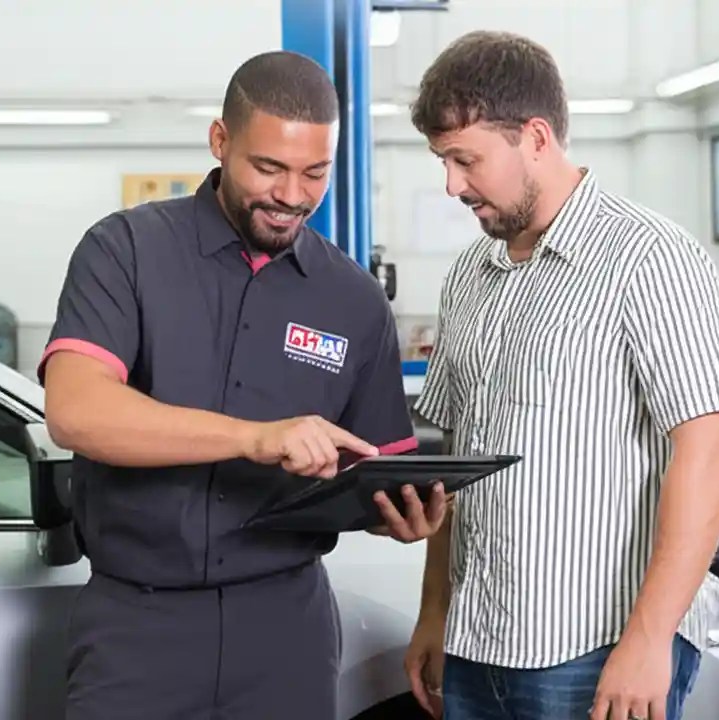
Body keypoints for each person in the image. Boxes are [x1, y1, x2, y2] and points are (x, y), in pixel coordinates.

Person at [40, 50, 449, 720]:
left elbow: (377, 470)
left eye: (315, 173)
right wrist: (255, 438)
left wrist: (402, 517)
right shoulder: (125, 252)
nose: (292, 194)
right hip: (137, 628)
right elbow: (76, 411)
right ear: (220, 141)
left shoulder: (353, 299)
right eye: (270, 168)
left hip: (286, 630)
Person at [402, 31, 719, 720]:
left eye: (466, 160)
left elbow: (711, 448)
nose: (452, 185)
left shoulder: (651, 259)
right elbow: (458, 462)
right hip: (478, 642)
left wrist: (649, 638)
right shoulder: (470, 274)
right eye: (443, 162)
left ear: (534, 137)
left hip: (597, 649)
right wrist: (434, 610)